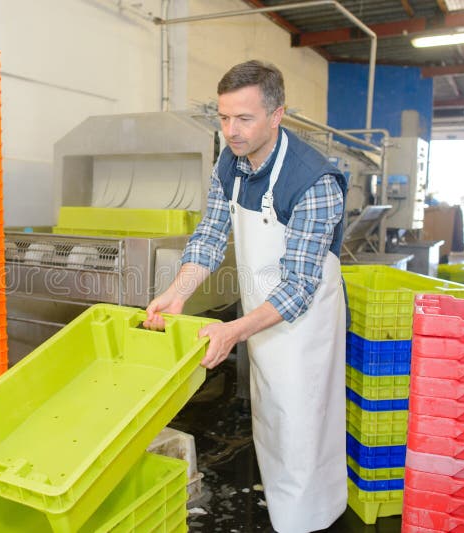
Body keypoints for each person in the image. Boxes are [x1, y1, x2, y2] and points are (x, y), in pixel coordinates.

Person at [143, 60, 348, 532]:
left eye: (244, 119)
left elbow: (298, 286)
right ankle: (282, 515)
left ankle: (312, 520)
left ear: (277, 115)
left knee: (302, 424)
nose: (231, 131)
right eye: (223, 117)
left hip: (303, 322)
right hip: (260, 315)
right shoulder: (229, 161)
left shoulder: (314, 182)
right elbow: (211, 234)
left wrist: (233, 330)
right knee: (272, 417)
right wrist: (177, 292)